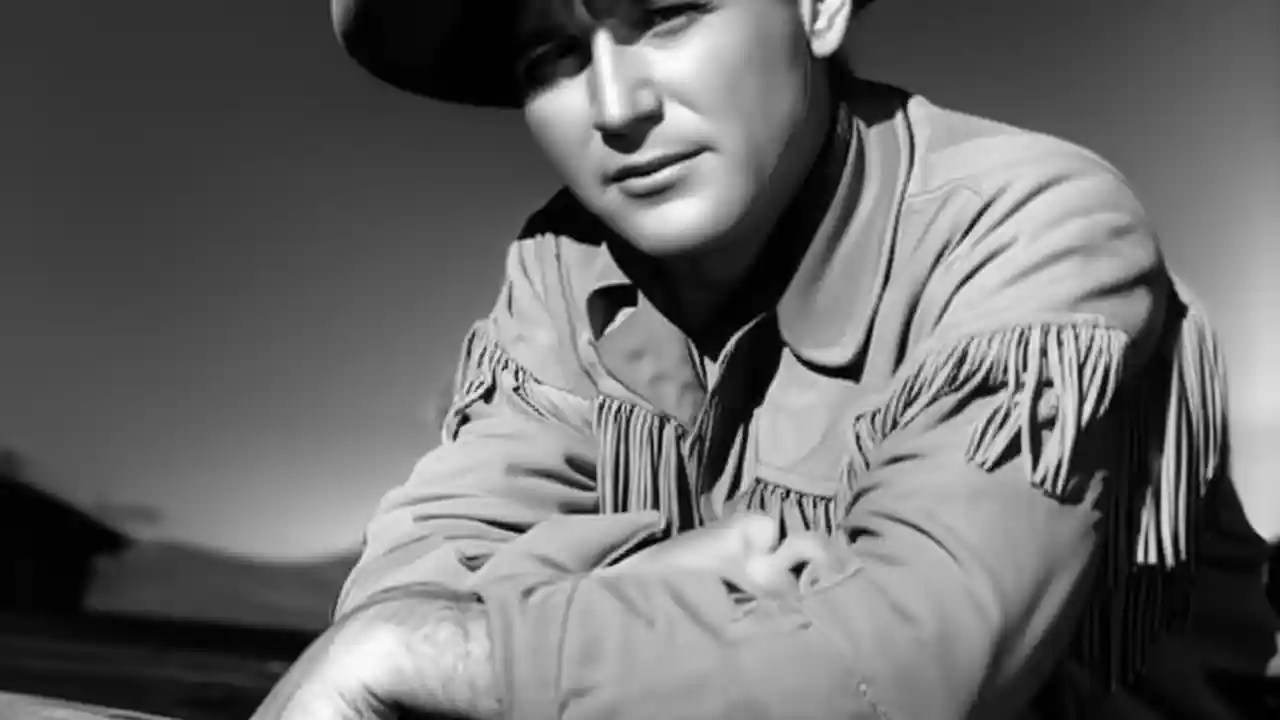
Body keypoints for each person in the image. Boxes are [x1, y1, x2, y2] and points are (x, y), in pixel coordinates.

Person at [252, 0, 1279, 718]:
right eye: (551, 58)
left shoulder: (1028, 221)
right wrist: (684, 579)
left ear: (818, 7)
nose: (615, 106)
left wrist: (440, 646)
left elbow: (906, 672)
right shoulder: (565, 265)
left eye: (668, 12)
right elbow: (415, 580)